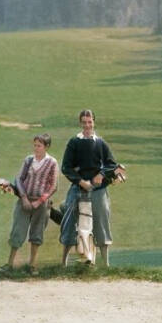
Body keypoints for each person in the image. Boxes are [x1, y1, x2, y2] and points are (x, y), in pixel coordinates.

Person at [59, 109, 126, 267]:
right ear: (80, 123)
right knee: (69, 222)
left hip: (98, 190)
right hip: (78, 189)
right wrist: (81, 181)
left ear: (94, 122)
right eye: (84, 122)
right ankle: (63, 264)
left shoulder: (101, 143)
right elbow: (66, 167)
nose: (87, 125)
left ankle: (106, 265)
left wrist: (102, 174)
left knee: (102, 223)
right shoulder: (74, 142)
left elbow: (112, 164)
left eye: (89, 122)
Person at [2, 133, 59, 274]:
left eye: (39, 146)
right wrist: (24, 198)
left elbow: (53, 186)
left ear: (46, 147)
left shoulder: (52, 162)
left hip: (41, 204)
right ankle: (9, 264)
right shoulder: (28, 160)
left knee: (37, 233)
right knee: (17, 231)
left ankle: (32, 265)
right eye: (35, 145)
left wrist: (39, 202)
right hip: (25, 201)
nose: (36, 148)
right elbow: (19, 179)